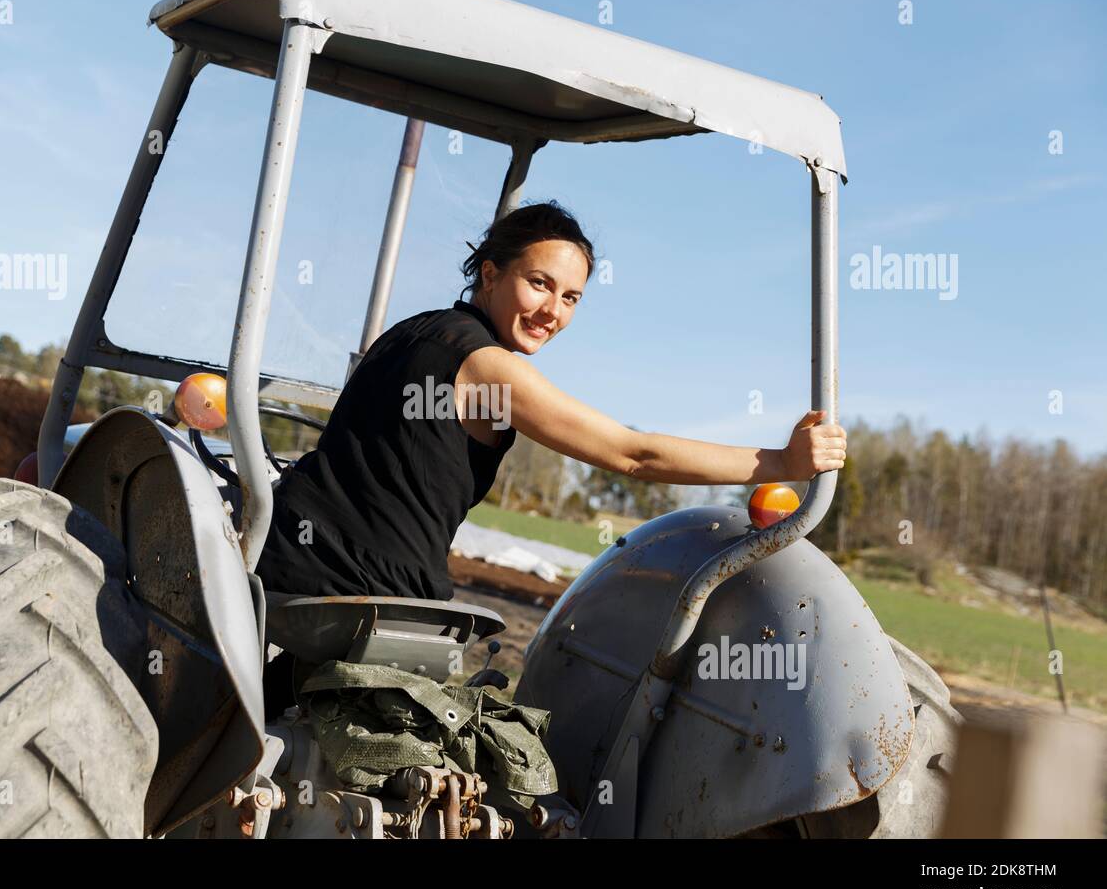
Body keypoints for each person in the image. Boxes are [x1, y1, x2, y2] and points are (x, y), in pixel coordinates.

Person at [255, 200, 846, 605]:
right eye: (538, 284)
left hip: (293, 557)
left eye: (571, 298)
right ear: (489, 274)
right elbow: (632, 454)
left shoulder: (420, 330)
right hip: (355, 588)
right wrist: (781, 463)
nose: (552, 312)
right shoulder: (484, 364)